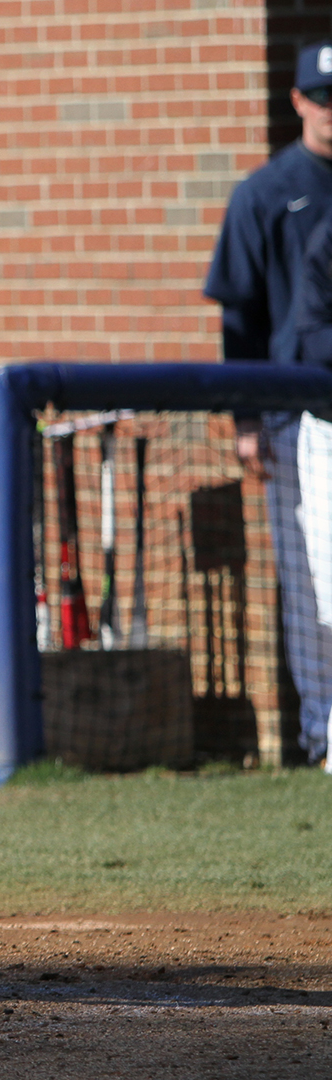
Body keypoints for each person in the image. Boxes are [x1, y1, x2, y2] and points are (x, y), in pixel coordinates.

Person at [216, 43, 332, 771]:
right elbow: (240, 320)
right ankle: (321, 731)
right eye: (324, 96)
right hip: (301, 419)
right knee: (314, 582)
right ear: (298, 100)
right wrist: (247, 419)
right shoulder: (267, 191)